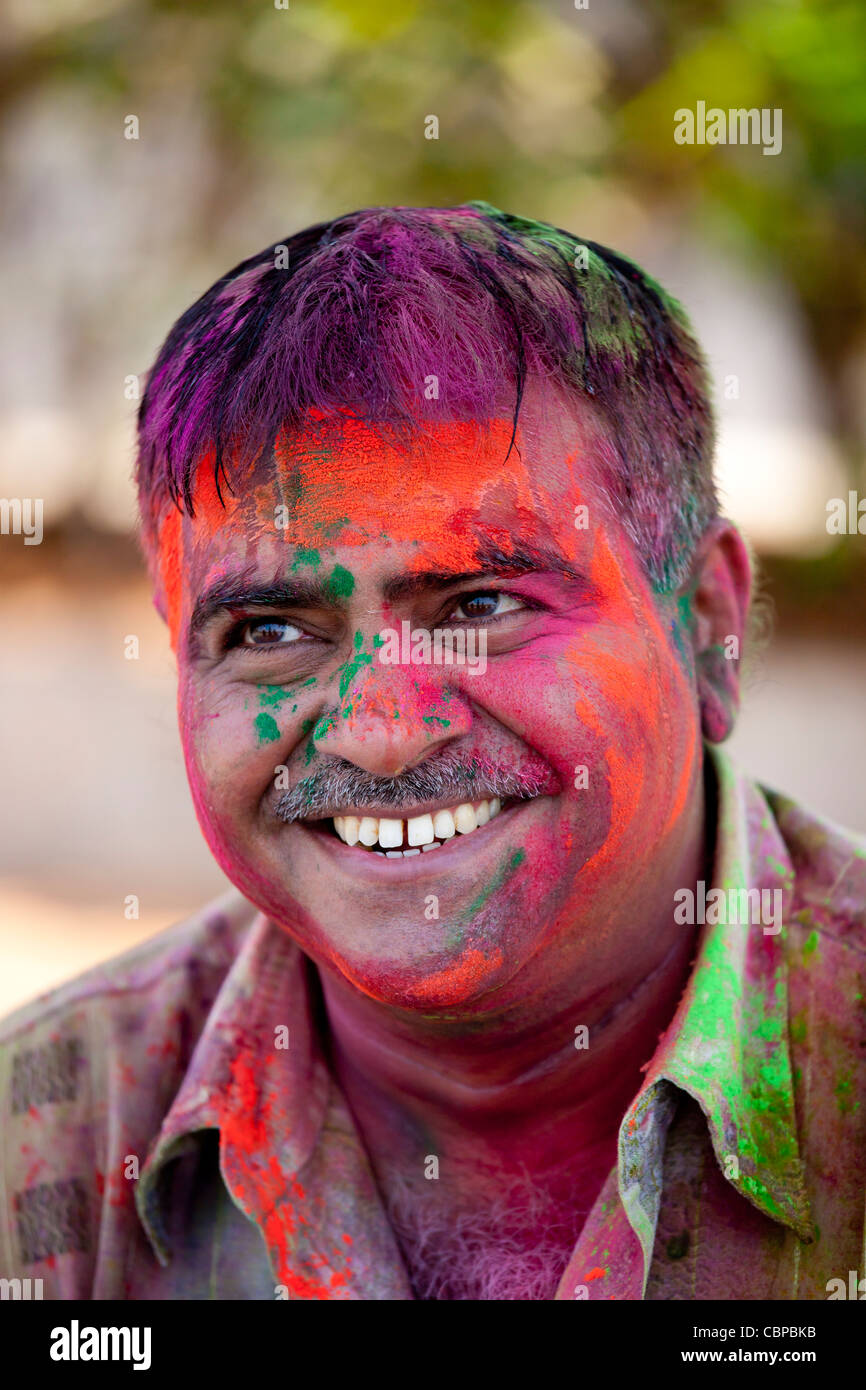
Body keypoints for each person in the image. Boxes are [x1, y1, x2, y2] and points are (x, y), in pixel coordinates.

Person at [2, 204, 864, 1301]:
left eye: (482, 601)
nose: (381, 730)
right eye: (269, 632)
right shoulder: (43, 1140)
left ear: (703, 626)